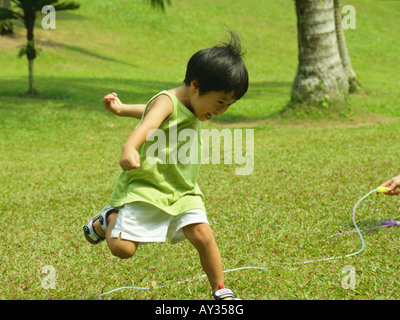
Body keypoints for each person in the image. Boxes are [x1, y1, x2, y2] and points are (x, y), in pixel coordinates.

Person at [83, 31, 249, 300]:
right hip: (147, 187)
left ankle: (221, 291)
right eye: (220, 102)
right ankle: (108, 218)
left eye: (228, 104)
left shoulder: (189, 104)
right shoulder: (167, 100)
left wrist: (123, 109)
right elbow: (151, 121)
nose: (222, 110)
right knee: (123, 250)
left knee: (202, 233)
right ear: (196, 85)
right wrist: (129, 148)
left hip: (183, 189)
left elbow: (149, 110)